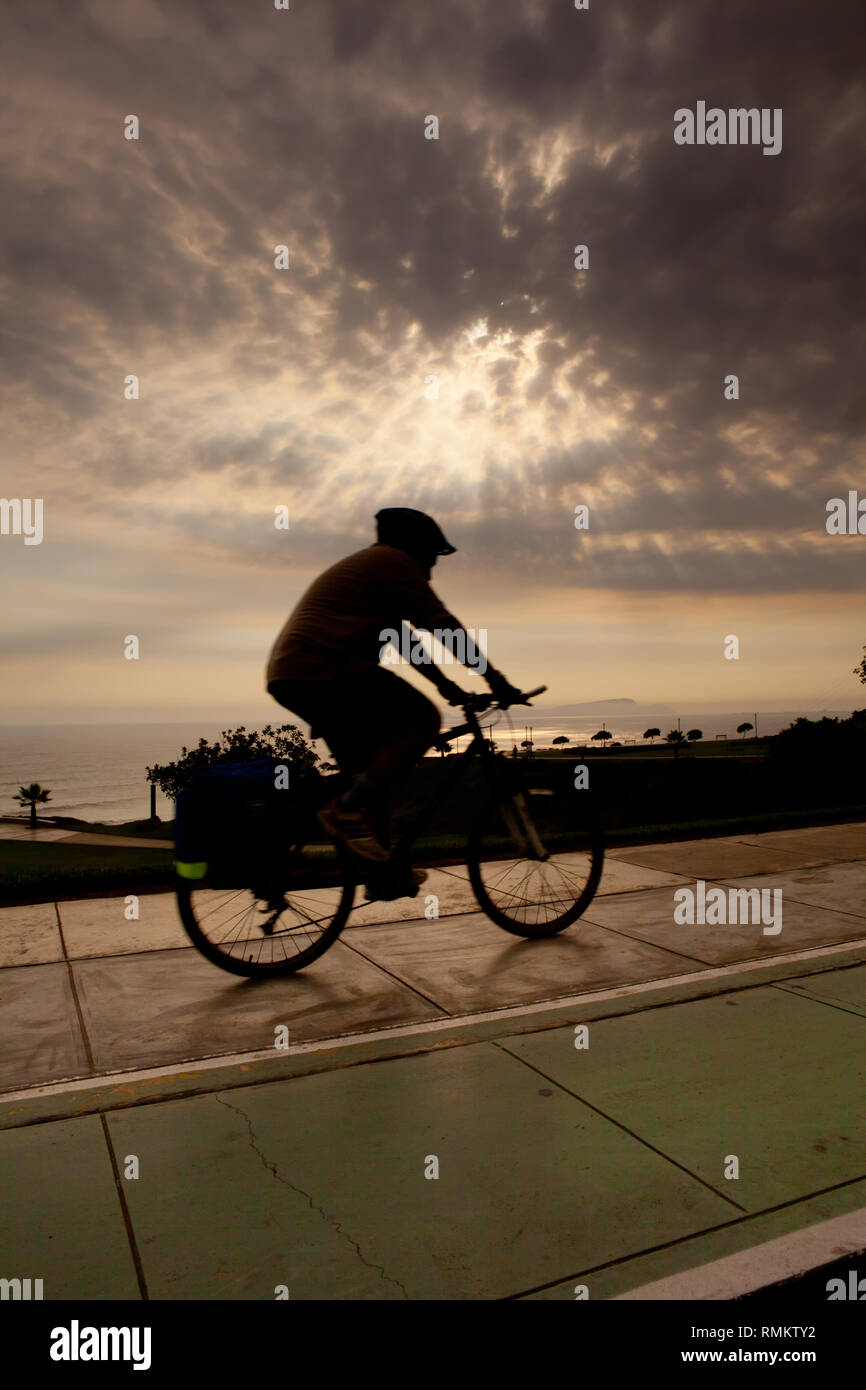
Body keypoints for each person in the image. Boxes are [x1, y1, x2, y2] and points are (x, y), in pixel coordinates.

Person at [266, 508, 522, 890]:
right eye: (432, 558)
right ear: (414, 546)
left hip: (296, 675)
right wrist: (495, 679)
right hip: (324, 670)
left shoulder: (372, 571)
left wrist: (446, 685)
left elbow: (403, 639)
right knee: (423, 720)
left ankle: (383, 871)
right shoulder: (393, 562)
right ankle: (344, 812)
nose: (431, 572)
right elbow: (443, 627)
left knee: (373, 777)